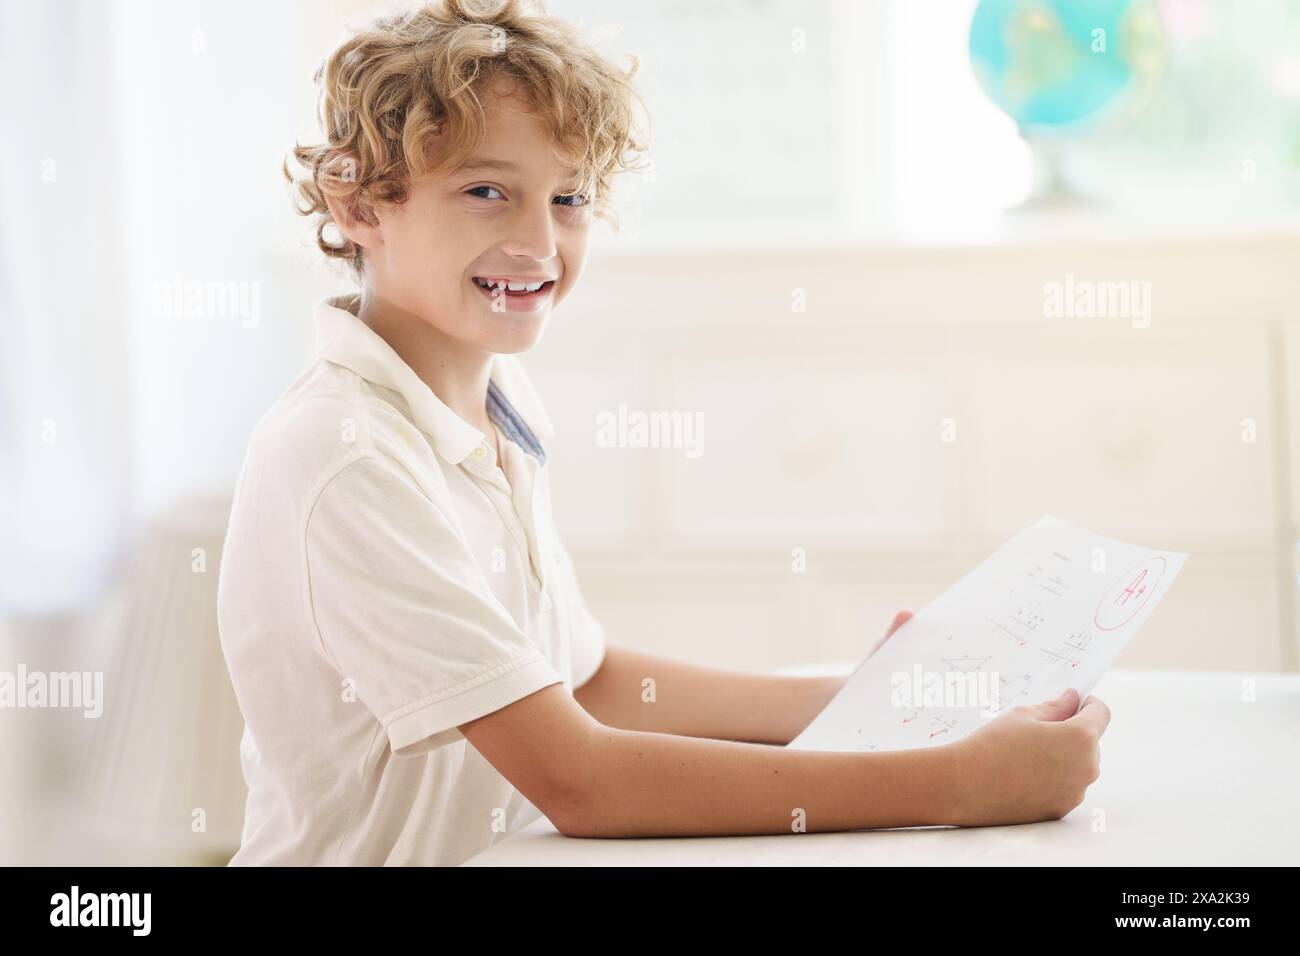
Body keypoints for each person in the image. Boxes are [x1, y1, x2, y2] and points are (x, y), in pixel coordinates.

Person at [217, 0, 1109, 866]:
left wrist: (849, 702)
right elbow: (581, 780)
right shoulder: (347, 459)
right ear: (360, 204)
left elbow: (584, 679)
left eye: (569, 198)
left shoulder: (496, 407)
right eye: (487, 191)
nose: (539, 242)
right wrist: (956, 785)